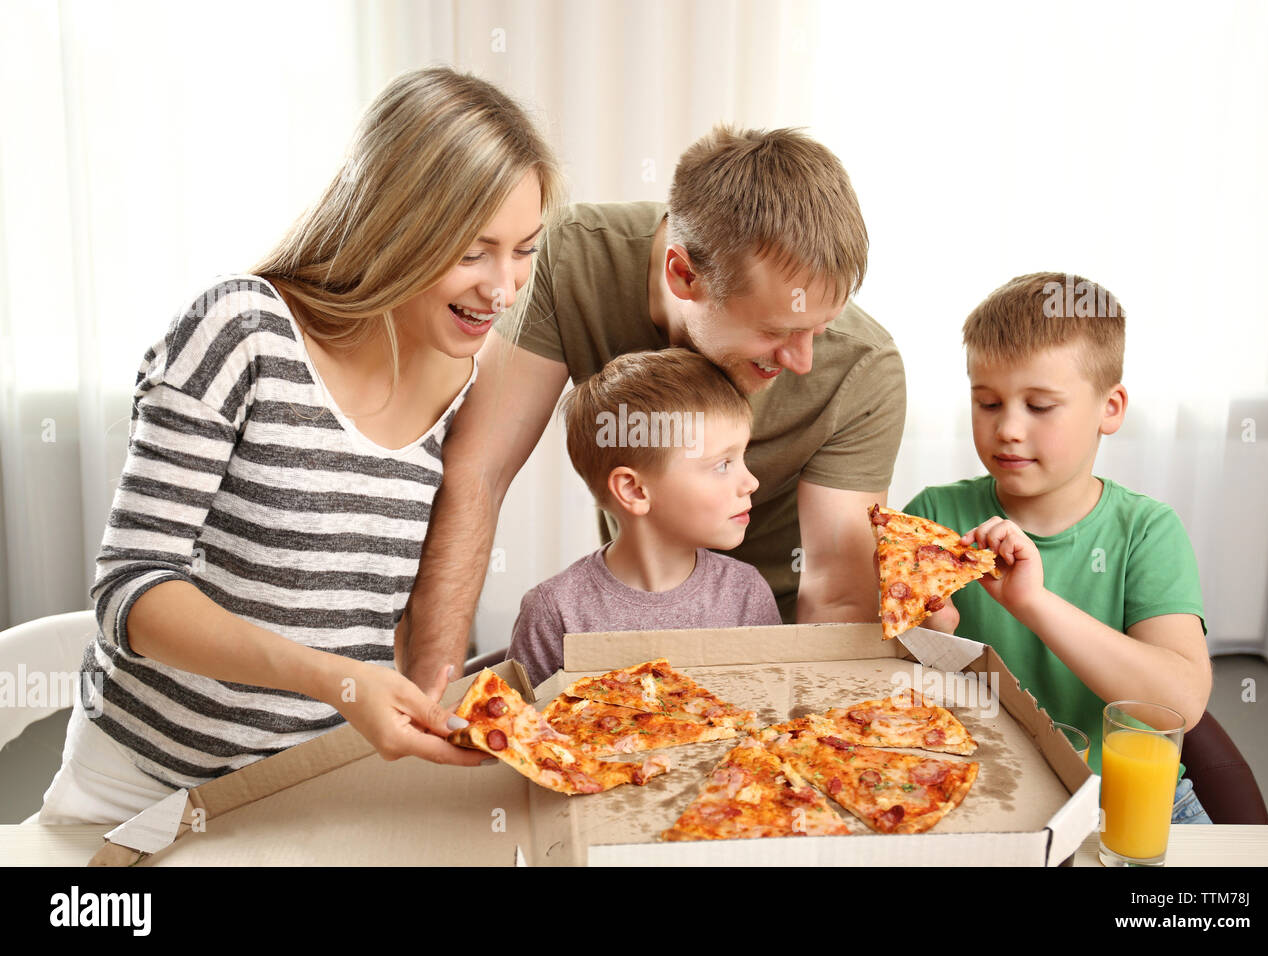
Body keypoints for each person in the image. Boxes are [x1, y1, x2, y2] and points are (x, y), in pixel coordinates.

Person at [39, 67, 564, 825]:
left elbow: (414, 600)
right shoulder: (241, 331)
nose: (505, 288)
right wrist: (340, 682)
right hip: (130, 786)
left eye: (525, 251)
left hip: (304, 792)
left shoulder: (464, 382)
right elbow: (130, 589)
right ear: (397, 225)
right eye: (476, 251)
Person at [402, 125, 907, 691]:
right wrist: (432, 698)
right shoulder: (572, 258)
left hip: (780, 650)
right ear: (683, 273)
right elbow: (479, 471)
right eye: (775, 331)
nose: (804, 361)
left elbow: (838, 592)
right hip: (628, 649)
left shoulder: (865, 369)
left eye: (822, 327)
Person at [904, 272, 1214, 822]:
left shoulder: (1147, 530)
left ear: (1110, 409)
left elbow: (1181, 704)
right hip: (987, 801)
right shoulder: (933, 517)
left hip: (1131, 807)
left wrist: (1033, 603)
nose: (1008, 430)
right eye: (988, 403)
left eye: (1040, 406)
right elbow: (887, 684)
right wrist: (932, 633)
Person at [506, 349, 781, 687]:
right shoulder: (554, 612)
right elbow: (517, 730)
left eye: (742, 457)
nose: (751, 482)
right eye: (722, 464)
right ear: (634, 490)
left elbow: (769, 719)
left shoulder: (745, 594)